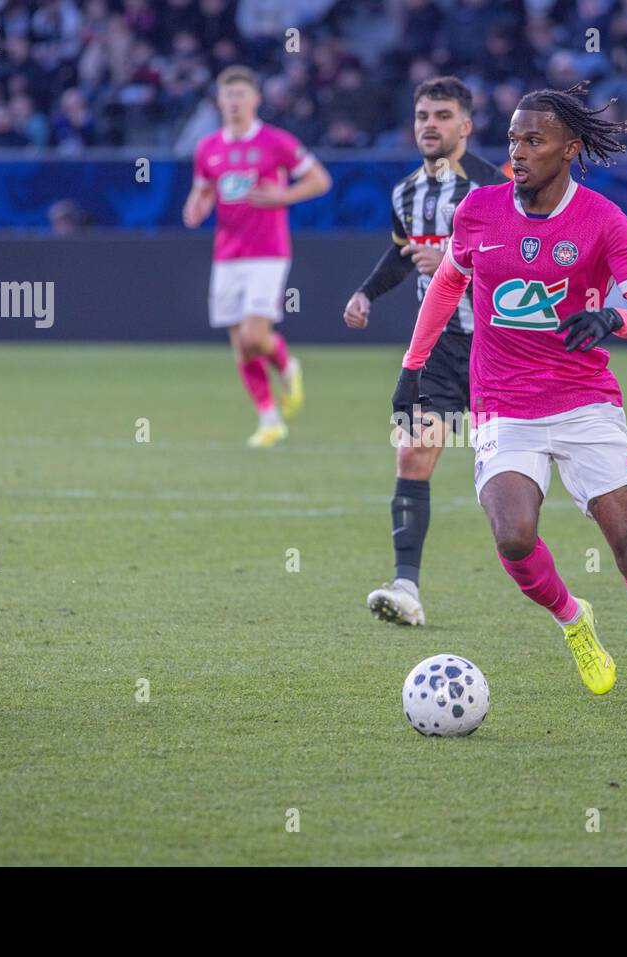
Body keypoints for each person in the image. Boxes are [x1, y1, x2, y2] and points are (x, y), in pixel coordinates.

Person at [391, 82, 627, 731]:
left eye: (534, 140)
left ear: (569, 149)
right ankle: (572, 618)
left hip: (585, 403)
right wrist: (412, 369)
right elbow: (447, 284)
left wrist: (613, 315)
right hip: (504, 403)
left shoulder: (604, 221)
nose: (519, 152)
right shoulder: (478, 211)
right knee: (513, 534)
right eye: (512, 140)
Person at [344, 76, 506, 627]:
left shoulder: (495, 188)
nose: (429, 126)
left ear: (466, 125)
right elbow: (403, 255)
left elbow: (528, 265)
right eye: (421, 116)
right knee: (413, 452)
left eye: (441, 115)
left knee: (516, 480)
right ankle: (406, 587)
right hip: (436, 349)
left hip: (501, 348)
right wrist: (366, 293)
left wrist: (464, 267)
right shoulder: (406, 192)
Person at [183, 66, 331, 448]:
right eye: (227, 96)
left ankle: (286, 364)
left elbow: (319, 179)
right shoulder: (208, 148)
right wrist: (195, 208)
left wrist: (284, 197)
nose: (234, 103)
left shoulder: (275, 141)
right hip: (227, 255)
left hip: (268, 252)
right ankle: (269, 419)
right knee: (241, 345)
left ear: (255, 100)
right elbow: (202, 192)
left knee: (253, 335)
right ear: (218, 101)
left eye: (240, 96)